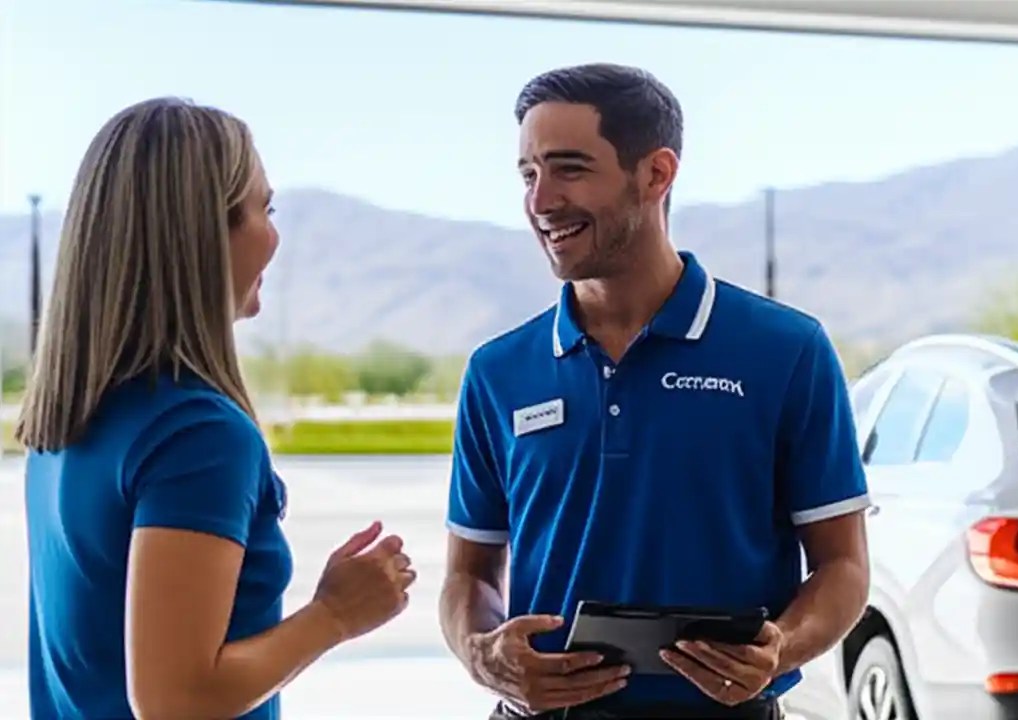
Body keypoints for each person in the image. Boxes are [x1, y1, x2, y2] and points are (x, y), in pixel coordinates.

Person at [440, 63, 871, 719]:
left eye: (570, 169)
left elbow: (844, 568)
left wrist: (780, 647)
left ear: (656, 174)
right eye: (528, 174)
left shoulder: (787, 351)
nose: (541, 200)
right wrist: (480, 652)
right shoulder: (498, 371)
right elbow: (468, 574)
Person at [17, 97, 417, 720]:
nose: (274, 237)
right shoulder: (197, 433)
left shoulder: (68, 422)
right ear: (203, 234)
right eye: (265, 209)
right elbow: (175, 701)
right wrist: (335, 614)